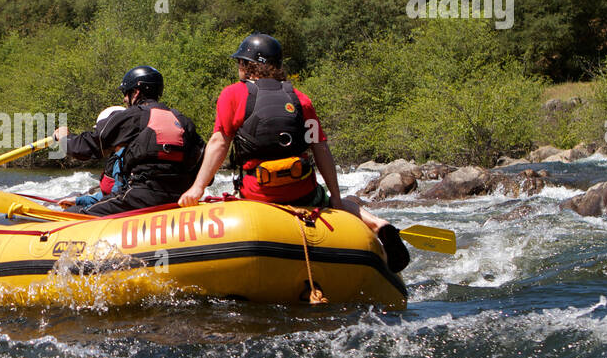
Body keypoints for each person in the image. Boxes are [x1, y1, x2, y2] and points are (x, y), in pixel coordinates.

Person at [177, 33, 409, 272]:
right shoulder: (300, 99)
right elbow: (321, 149)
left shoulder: (234, 94)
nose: (238, 67)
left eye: (240, 62)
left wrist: (198, 188)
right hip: (303, 193)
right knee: (346, 201)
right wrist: (336, 198)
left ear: (248, 66)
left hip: (259, 194)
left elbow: (219, 142)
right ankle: (379, 224)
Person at [52, 66, 205, 216]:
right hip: (180, 199)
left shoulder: (133, 116)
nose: (125, 100)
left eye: (126, 94)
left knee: (71, 214)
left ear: (136, 92)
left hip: (140, 198)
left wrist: (65, 138)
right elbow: (205, 168)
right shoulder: (183, 121)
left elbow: (87, 147)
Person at [57, 106, 126, 209]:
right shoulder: (115, 157)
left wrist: (83, 208)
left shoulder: (124, 158)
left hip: (119, 212)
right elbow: (106, 195)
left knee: (72, 211)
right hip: (111, 204)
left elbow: (118, 199)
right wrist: (78, 201)